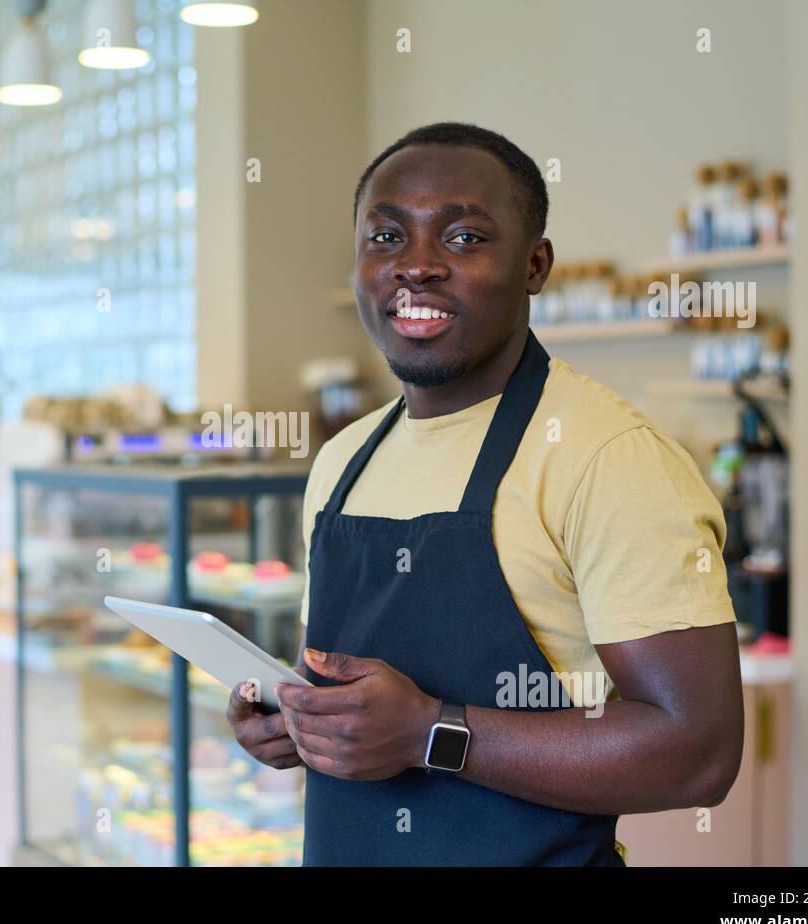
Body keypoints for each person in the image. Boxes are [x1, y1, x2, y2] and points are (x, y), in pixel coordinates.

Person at [226, 122, 743, 866]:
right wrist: (300, 723)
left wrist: (428, 733)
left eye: (464, 238)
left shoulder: (607, 457)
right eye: (385, 237)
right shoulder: (341, 461)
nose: (417, 267)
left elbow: (700, 752)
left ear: (534, 265)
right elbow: (353, 698)